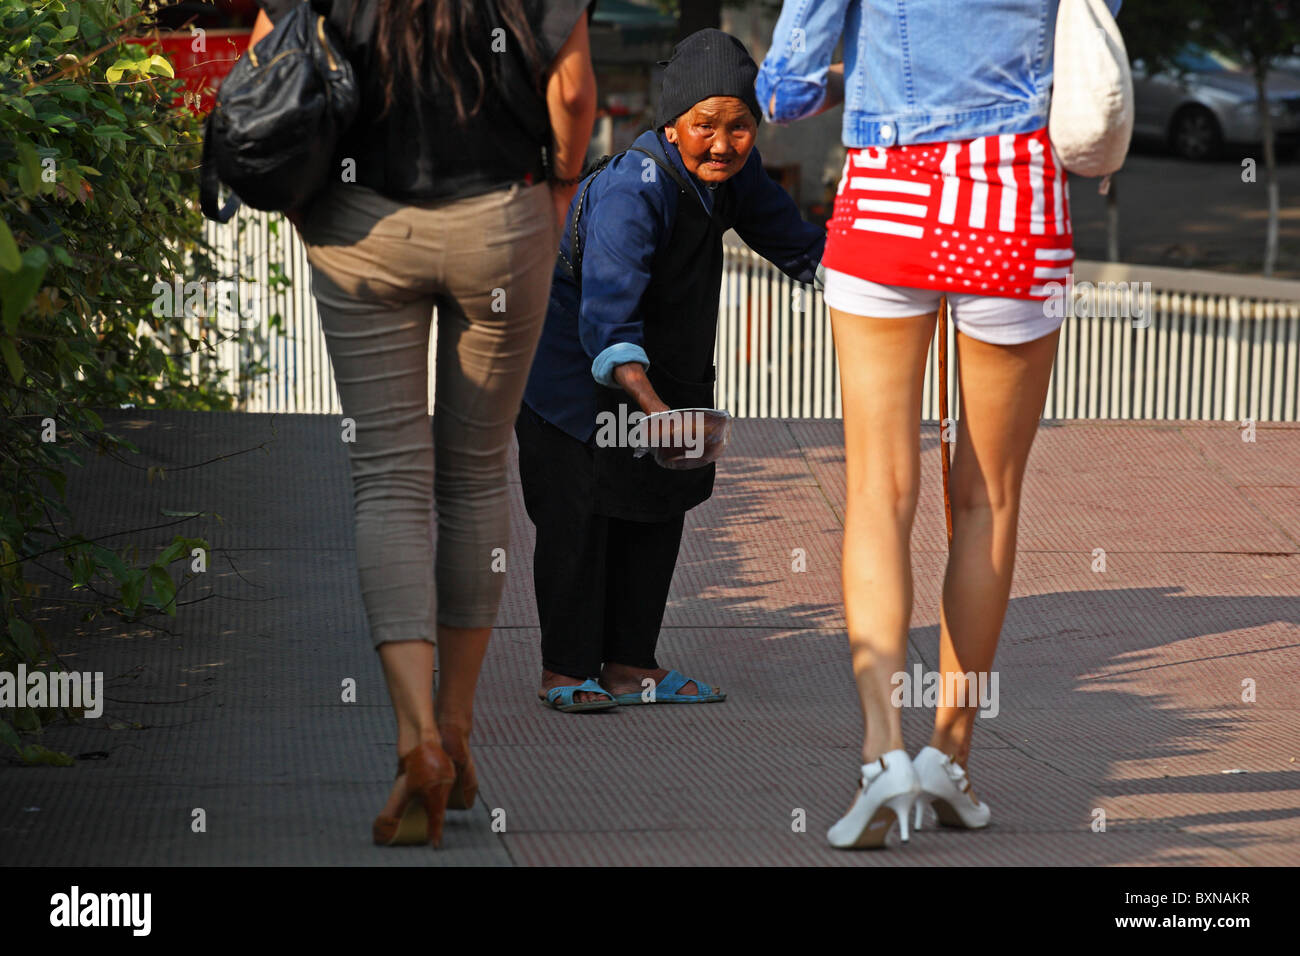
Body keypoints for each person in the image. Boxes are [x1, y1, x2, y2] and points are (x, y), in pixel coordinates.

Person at [757, 0, 1124, 848]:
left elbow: (790, 88)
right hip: (1012, 200)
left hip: (887, 195)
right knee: (987, 495)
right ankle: (948, 756)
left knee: (879, 489)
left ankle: (882, 752)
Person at [248, 0, 596, 846]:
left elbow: (267, 68)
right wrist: (557, 187)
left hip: (360, 223)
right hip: (500, 226)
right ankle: (458, 726)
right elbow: (576, 92)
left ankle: (416, 743)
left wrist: (305, 203)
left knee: (389, 478)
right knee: (476, 473)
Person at [516, 29, 826, 713]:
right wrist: (658, 414)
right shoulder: (634, 189)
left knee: (657, 509)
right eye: (705, 126)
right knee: (581, 521)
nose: (723, 143)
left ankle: (631, 666)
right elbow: (609, 320)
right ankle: (566, 672)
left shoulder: (737, 177)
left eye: (739, 126)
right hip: (573, 386)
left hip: (666, 377)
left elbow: (807, 252)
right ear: (670, 124)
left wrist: (901, 288)